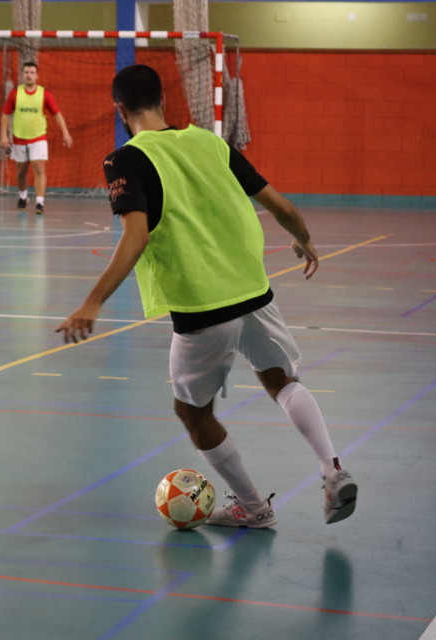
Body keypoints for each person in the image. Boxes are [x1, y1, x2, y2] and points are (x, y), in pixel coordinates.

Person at [56, 64, 357, 528]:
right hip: (255, 292)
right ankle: (332, 468)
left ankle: (253, 509)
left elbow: (135, 236)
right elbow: (283, 206)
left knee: (192, 412)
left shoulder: (125, 160)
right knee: (282, 382)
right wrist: (302, 238)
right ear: (162, 101)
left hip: (202, 306)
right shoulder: (213, 143)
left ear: (120, 109)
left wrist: (93, 300)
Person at [0, 61, 72, 215]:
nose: (29, 75)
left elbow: (57, 114)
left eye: (32, 72)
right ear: (22, 75)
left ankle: (40, 202)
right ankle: (23, 196)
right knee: (21, 173)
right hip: (19, 138)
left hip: (38, 137)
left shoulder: (44, 94)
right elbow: (5, 115)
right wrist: (4, 135)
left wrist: (65, 132)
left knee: (39, 168)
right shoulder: (14, 94)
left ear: (37, 76)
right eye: (26, 72)